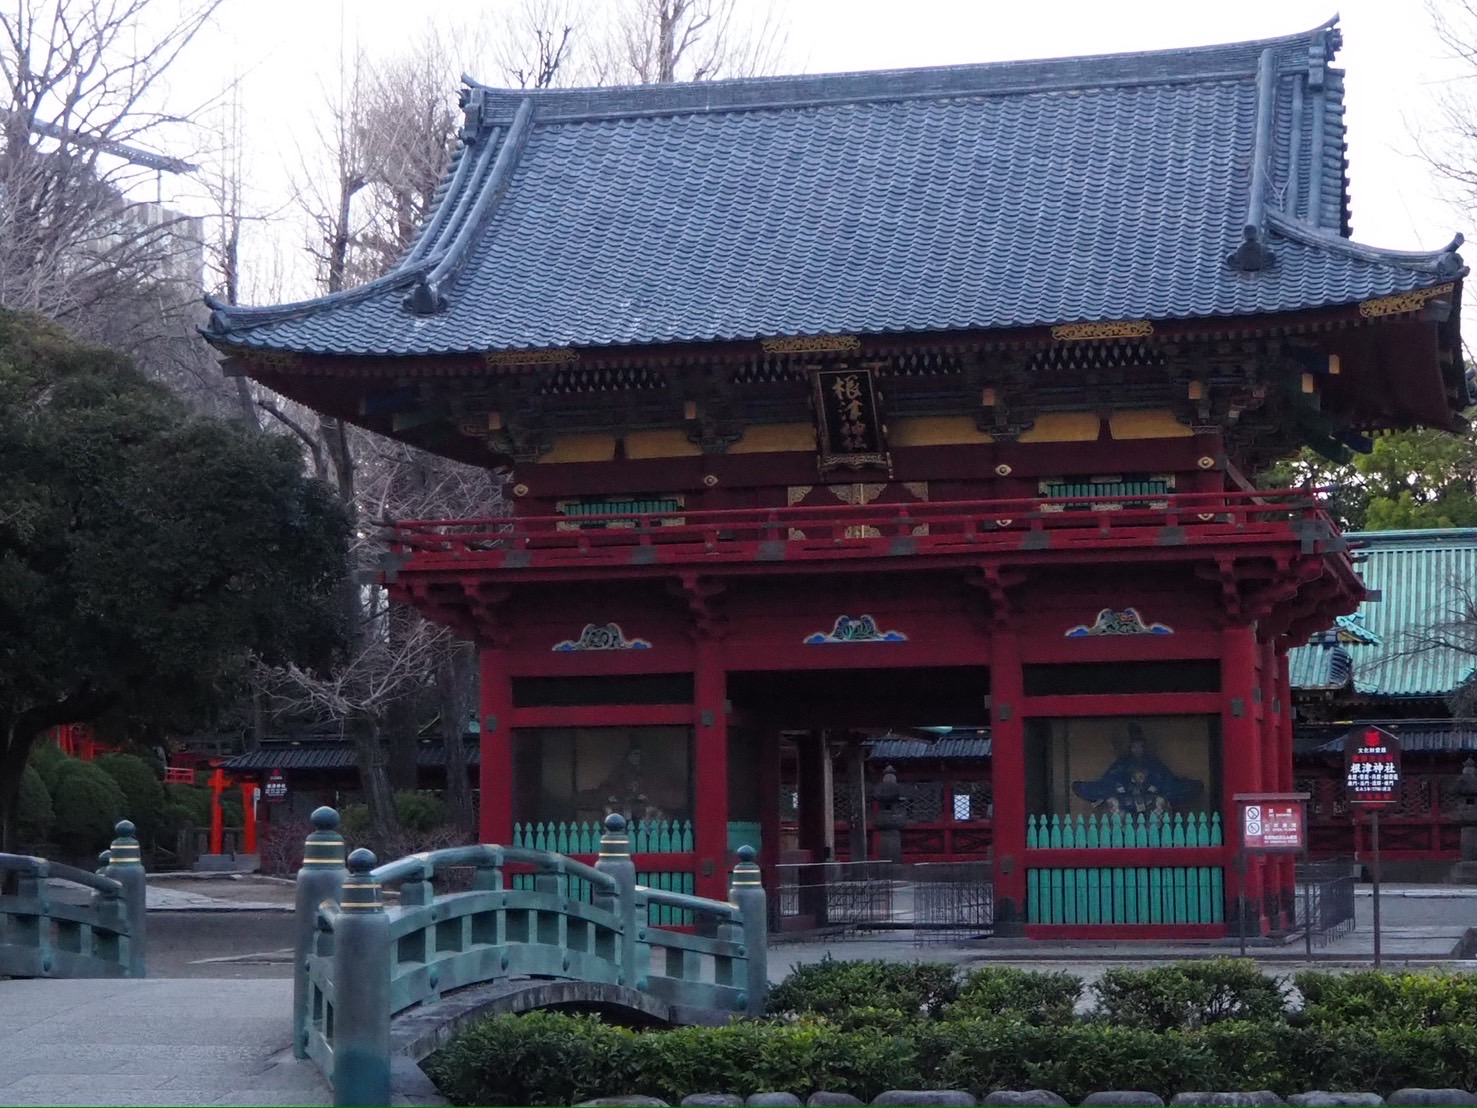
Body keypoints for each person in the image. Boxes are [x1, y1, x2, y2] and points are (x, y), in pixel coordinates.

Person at [1071, 723, 1202, 814]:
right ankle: (1120, 844)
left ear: (1145, 746)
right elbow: (1107, 785)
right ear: (1129, 747)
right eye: (1134, 746)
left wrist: (1165, 796)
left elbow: (1168, 783)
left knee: (1160, 804)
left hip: (1151, 802)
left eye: (1140, 746)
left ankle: (1155, 844)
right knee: (1114, 806)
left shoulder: (1154, 764)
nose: (1137, 749)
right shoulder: (1121, 764)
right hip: (1124, 802)